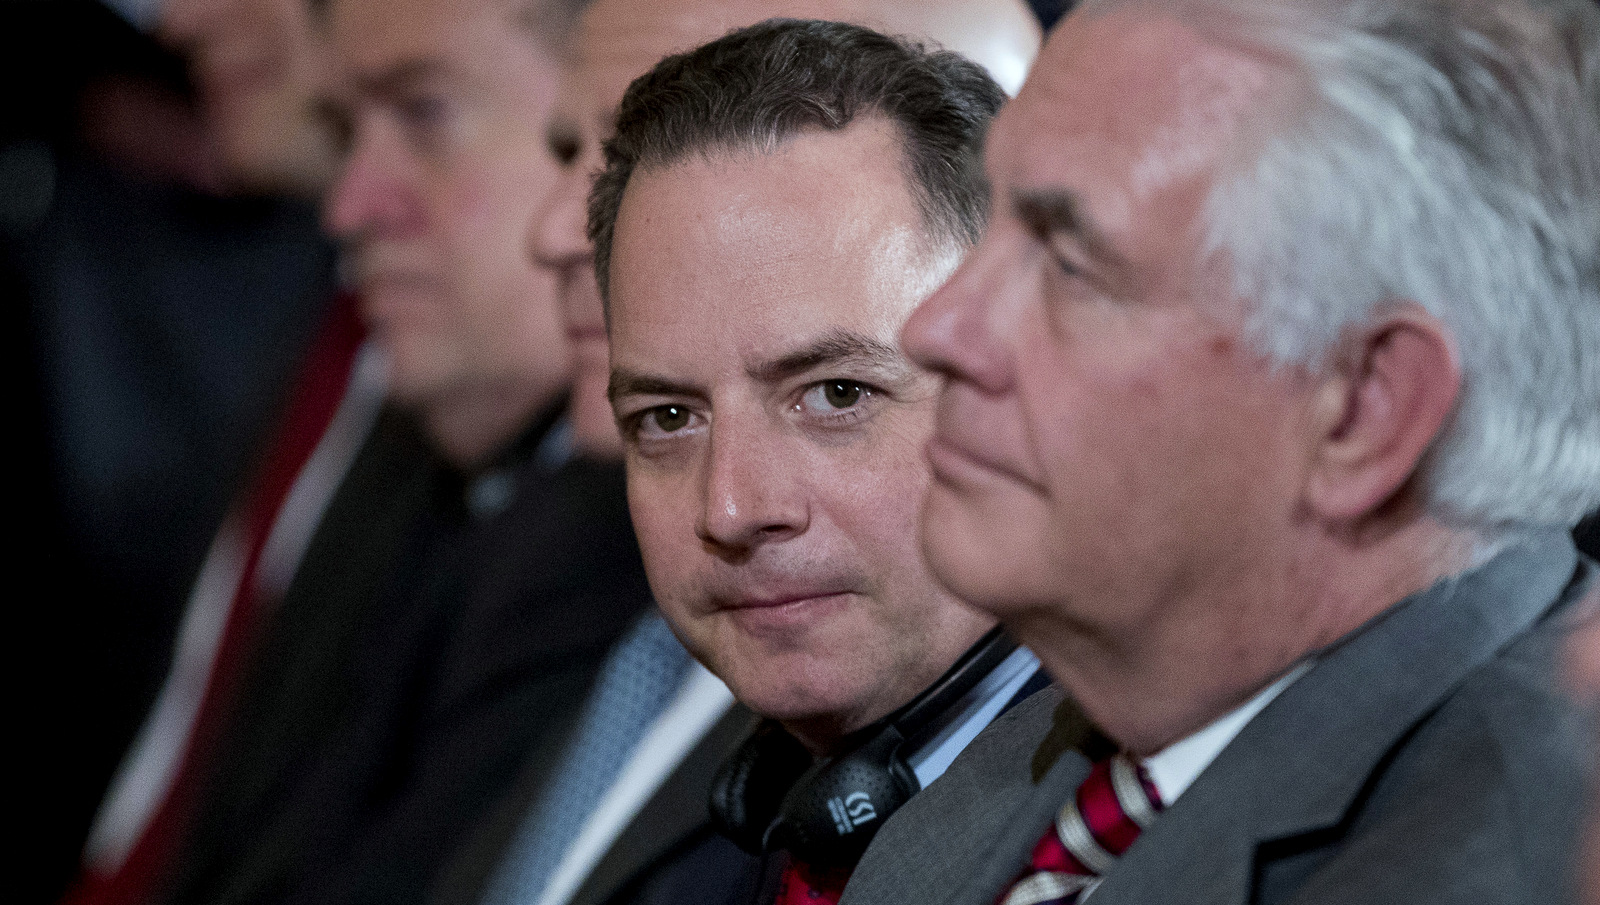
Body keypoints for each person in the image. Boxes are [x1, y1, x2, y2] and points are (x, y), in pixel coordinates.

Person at [839, 0, 1600, 903]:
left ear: (1361, 408)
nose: (936, 328)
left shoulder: (1524, 859)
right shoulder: (1026, 769)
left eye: (1071, 263)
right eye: (993, 222)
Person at [432, 7, 1041, 905]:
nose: (730, 506)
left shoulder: (1134, 832)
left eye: (837, 395)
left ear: (1021, 374)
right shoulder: (793, 803)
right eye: (670, 416)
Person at [104, 0, 654, 904]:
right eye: (347, 129)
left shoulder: (610, 537)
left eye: (426, 112)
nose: (351, 204)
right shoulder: (430, 468)